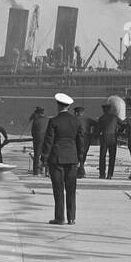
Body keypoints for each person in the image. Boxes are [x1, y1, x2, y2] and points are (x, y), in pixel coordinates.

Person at [41, 92, 85, 225]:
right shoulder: (76, 121)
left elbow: (49, 141)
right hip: (72, 158)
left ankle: (59, 218)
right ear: (68, 106)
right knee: (71, 189)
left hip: (56, 159)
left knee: (58, 189)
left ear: (58, 106)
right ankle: (71, 218)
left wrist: (44, 158)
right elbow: (81, 141)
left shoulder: (53, 121)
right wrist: (80, 159)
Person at [95, 103, 120, 179]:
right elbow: (123, 124)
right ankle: (110, 174)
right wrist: (118, 132)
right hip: (113, 138)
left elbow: (98, 130)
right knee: (112, 157)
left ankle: (102, 174)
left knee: (102, 156)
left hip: (104, 138)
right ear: (110, 109)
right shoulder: (115, 117)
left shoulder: (101, 118)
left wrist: (95, 136)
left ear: (103, 110)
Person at [29, 107, 47, 176]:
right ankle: (45, 171)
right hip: (47, 139)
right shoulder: (47, 119)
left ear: (37, 114)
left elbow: (33, 132)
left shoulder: (36, 120)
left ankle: (36, 172)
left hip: (38, 139)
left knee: (37, 155)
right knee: (46, 154)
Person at [73, 105, 89, 179]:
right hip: (86, 138)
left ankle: (78, 171)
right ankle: (82, 170)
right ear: (82, 112)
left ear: (76, 112)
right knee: (83, 154)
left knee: (76, 155)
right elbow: (97, 124)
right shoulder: (87, 119)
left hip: (75, 138)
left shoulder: (73, 119)